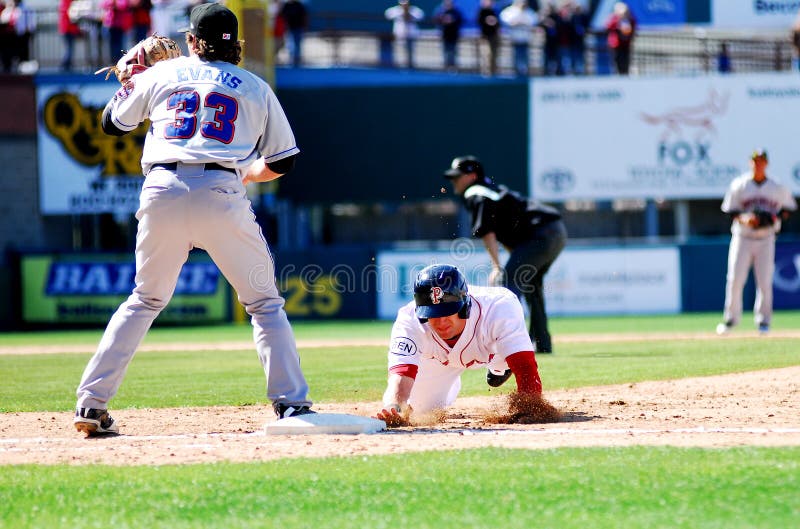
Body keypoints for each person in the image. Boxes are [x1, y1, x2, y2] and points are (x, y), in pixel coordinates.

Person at [73, 2, 315, 436]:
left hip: (161, 190)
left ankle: (91, 403)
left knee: (144, 300)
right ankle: (291, 404)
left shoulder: (160, 75)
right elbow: (284, 163)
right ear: (236, 44)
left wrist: (129, 82)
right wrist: (243, 172)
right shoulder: (256, 86)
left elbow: (111, 124)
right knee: (263, 303)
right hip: (222, 192)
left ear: (190, 40)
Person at [375, 264, 550, 426]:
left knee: (510, 356)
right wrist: (395, 408)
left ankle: (500, 368)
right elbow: (400, 378)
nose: (442, 321)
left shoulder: (499, 307)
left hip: (491, 348)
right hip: (439, 362)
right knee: (421, 410)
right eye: (433, 314)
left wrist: (531, 408)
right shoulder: (409, 321)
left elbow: (525, 367)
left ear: (465, 305)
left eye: (448, 312)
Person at [443, 155, 567, 354]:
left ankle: (507, 344)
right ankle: (541, 343)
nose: (453, 181)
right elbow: (512, 232)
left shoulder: (476, 192)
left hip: (542, 234)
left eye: (458, 176)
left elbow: (487, 231)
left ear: (472, 176)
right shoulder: (490, 190)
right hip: (554, 231)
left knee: (506, 287)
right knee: (531, 286)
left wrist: (496, 266)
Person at [716, 149, 797, 336]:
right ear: (750, 163)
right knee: (735, 279)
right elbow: (730, 210)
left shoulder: (776, 187)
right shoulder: (740, 185)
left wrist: (773, 217)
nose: (757, 164)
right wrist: (746, 219)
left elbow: (789, 208)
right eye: (755, 161)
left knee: (764, 281)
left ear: (766, 163)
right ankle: (731, 319)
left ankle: (763, 321)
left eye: (761, 161)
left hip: (766, 238)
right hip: (742, 237)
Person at [500, 0, 537, 77]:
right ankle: (517, 73)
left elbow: (533, 21)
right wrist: (515, 22)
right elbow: (504, 18)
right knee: (516, 56)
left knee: (525, 56)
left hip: (525, 38)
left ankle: (525, 73)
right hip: (515, 38)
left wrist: (523, 22)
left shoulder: (529, 11)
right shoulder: (511, 10)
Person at [385, 0, 424, 69]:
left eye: (406, 3)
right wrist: (402, 12)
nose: (404, 5)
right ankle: (398, 65)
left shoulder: (413, 10)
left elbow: (421, 16)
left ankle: (410, 65)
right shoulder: (396, 10)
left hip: (410, 35)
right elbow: (387, 14)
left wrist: (408, 13)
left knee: (410, 51)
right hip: (399, 35)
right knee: (398, 51)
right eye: (402, 4)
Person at [605, 1, 636, 75]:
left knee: (626, 59)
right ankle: (618, 73)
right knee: (617, 59)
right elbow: (608, 26)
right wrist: (618, 20)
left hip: (626, 43)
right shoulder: (614, 18)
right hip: (616, 43)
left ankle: (625, 72)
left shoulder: (629, 19)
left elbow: (633, 27)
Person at [433, 0, 463, 72]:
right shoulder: (441, 11)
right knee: (446, 51)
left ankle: (453, 67)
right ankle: (446, 66)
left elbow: (460, 21)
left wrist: (452, 20)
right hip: (445, 35)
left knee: (453, 51)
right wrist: (442, 20)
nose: (448, 4)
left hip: (453, 35)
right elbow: (436, 20)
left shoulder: (456, 11)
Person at [280, 0, 308, 68]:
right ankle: (291, 60)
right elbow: (282, 15)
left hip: (298, 28)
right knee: (290, 45)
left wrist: (304, 26)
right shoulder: (287, 5)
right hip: (289, 28)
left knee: (297, 45)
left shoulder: (299, 5)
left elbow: (304, 15)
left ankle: (297, 61)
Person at [477, 0, 500, 76]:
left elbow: (499, 23)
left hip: (493, 36)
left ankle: (493, 71)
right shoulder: (481, 11)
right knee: (485, 54)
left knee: (494, 54)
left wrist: (494, 21)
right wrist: (486, 20)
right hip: (485, 37)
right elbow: (479, 21)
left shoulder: (495, 11)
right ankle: (485, 71)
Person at [58, 0, 83, 71]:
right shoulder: (68, 2)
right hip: (67, 29)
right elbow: (72, 16)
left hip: (67, 29)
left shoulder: (66, 3)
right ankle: (65, 65)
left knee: (70, 48)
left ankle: (68, 64)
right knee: (69, 49)